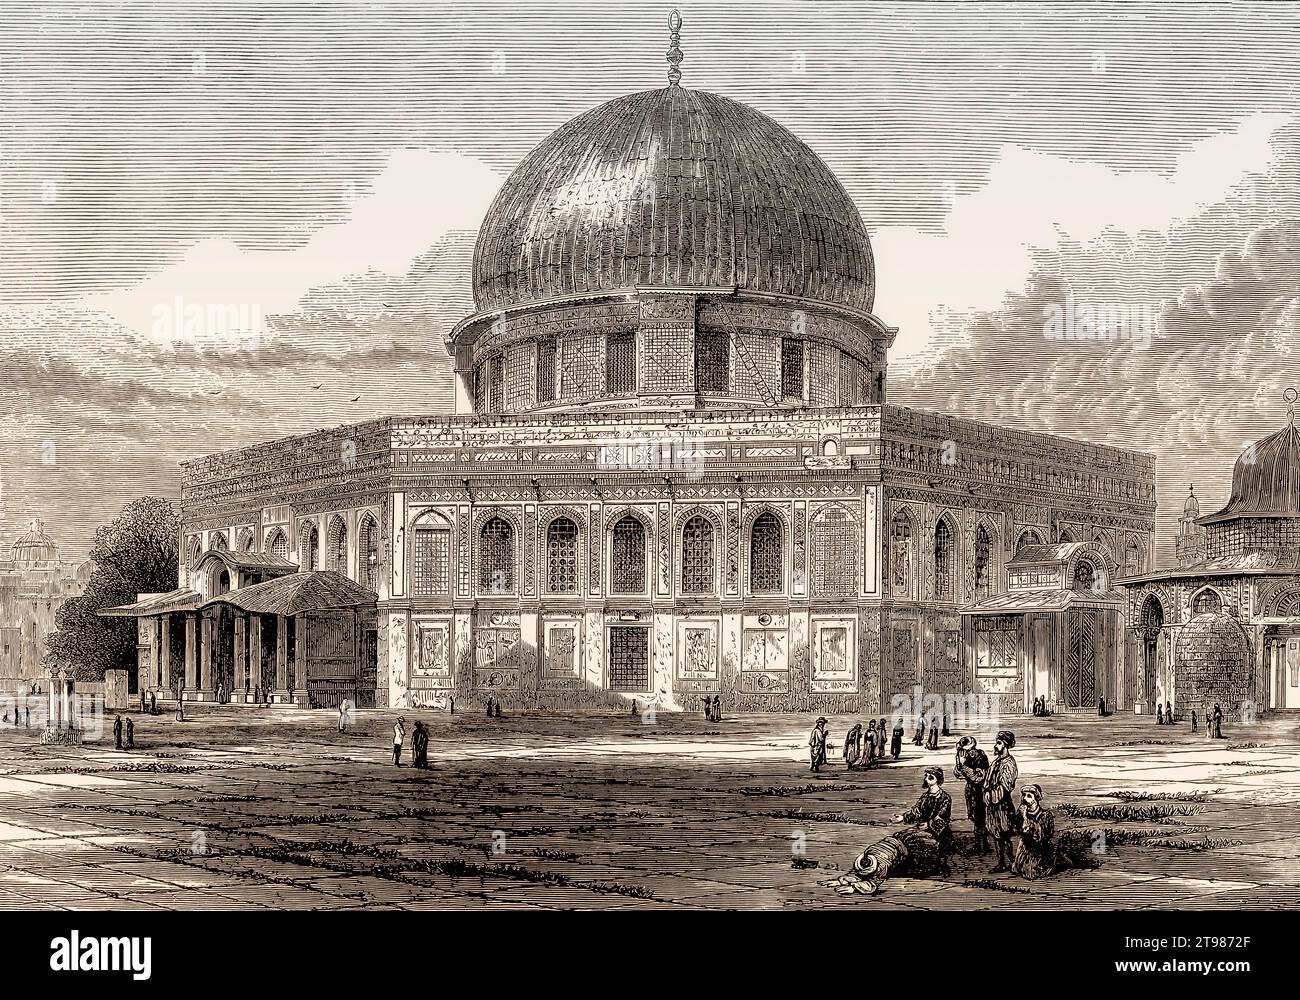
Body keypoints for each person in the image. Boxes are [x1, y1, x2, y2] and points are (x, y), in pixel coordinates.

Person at [825, 767, 952, 896]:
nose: (927, 780)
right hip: (919, 830)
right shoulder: (925, 796)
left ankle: (870, 882)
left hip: (935, 834)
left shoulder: (945, 798)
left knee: (901, 845)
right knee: (894, 840)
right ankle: (859, 871)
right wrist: (903, 817)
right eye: (926, 777)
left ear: (938, 780)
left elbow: (943, 818)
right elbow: (916, 812)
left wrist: (929, 825)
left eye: (931, 778)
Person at [984, 730, 1019, 873]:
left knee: (1004, 834)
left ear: (1005, 745)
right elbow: (987, 780)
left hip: (1002, 804)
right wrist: (986, 792)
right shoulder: (996, 761)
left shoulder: (1009, 763)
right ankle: (1001, 863)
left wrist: (992, 796)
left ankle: (1012, 861)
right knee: (996, 834)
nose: (996, 746)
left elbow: (1006, 786)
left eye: (998, 743)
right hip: (992, 804)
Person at [1012, 784, 1056, 880]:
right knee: (1018, 869)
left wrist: (1027, 821)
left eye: (1029, 796)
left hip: (1041, 849)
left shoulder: (1045, 815)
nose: (1025, 798)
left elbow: (1044, 835)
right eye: (1024, 795)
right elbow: (1016, 830)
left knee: (1031, 873)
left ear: (1036, 798)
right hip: (1025, 848)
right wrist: (1023, 817)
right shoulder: (1021, 813)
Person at [955, 736, 990, 853]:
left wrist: (963, 766)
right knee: (974, 817)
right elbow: (957, 773)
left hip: (980, 790)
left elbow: (978, 778)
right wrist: (960, 764)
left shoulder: (979, 756)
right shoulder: (965, 755)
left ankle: (982, 845)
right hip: (971, 790)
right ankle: (979, 844)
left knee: (979, 817)